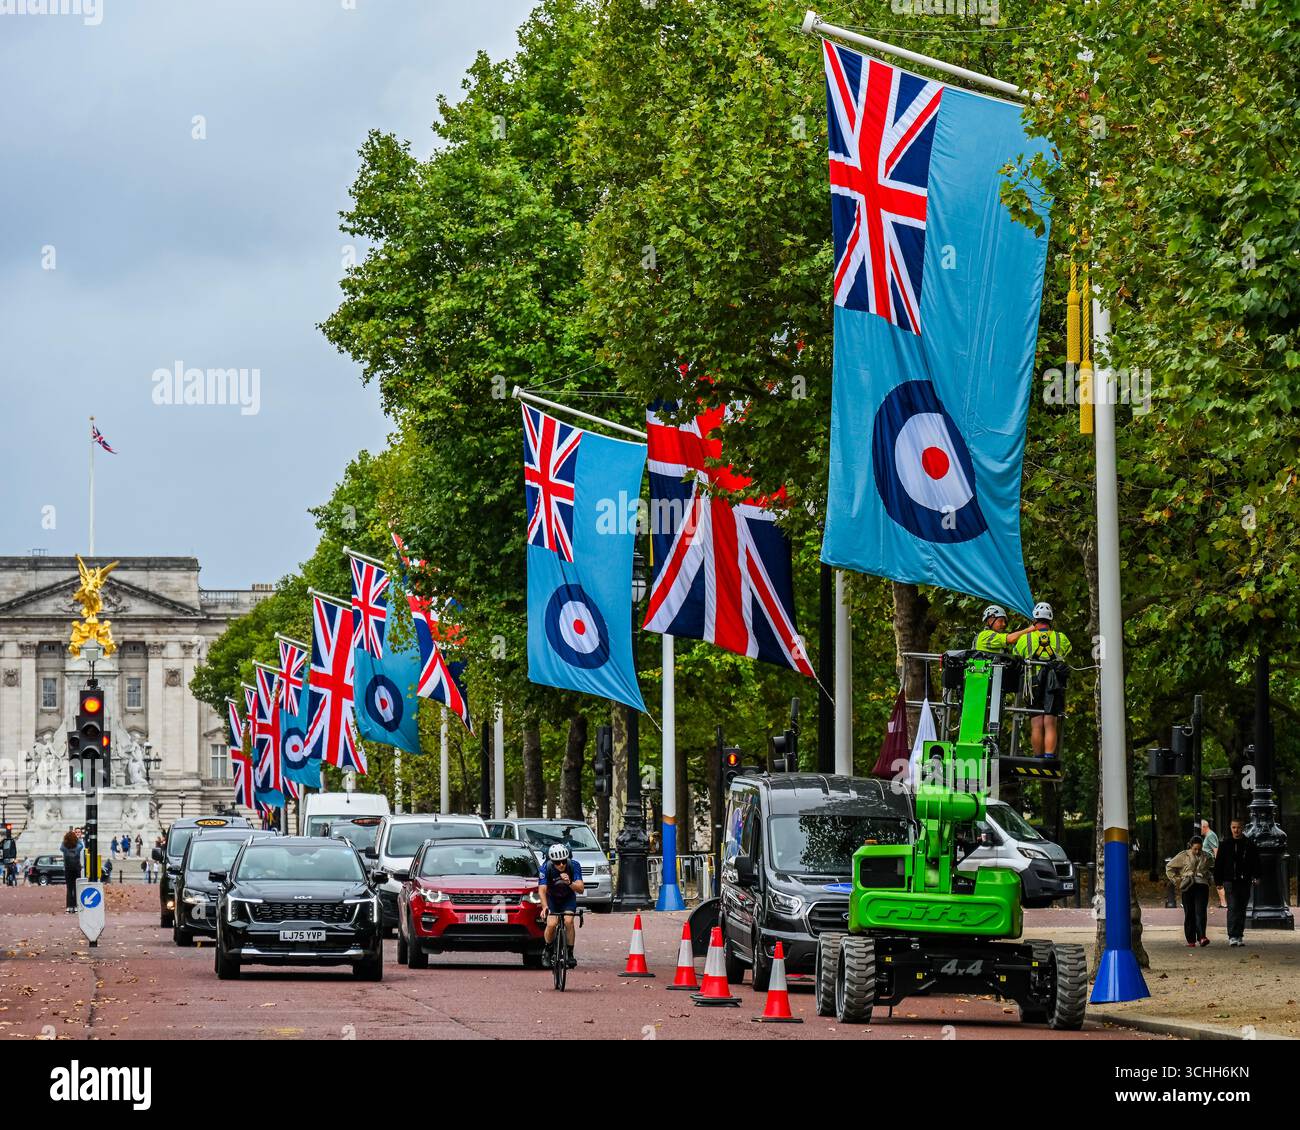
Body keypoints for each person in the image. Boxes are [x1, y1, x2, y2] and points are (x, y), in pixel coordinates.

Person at [1013, 602, 1072, 757]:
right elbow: (1066, 652)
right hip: (1054, 684)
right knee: (1050, 722)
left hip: (1033, 684)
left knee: (1036, 723)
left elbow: (1017, 654)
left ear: (1035, 620)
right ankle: (1049, 757)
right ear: (1050, 619)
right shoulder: (1061, 638)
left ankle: (1038, 758)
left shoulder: (1025, 639)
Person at [1213, 818, 1260, 947]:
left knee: (1242, 908)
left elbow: (1255, 862)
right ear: (1230, 828)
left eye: (1238, 827)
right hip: (1230, 880)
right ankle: (1233, 935)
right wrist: (1218, 880)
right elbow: (1219, 864)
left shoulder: (1249, 844)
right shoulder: (1225, 844)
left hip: (1244, 880)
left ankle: (1239, 935)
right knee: (1233, 907)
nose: (1236, 830)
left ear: (1242, 828)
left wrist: (1256, 876)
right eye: (1234, 827)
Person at [538, 843, 584, 969]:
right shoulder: (545, 868)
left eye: (564, 861)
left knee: (569, 921)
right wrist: (544, 907)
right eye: (557, 862)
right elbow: (542, 890)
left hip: (568, 898)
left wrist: (569, 883)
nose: (562, 865)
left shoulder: (574, 865)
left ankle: (570, 953)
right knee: (552, 923)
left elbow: (580, 889)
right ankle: (547, 950)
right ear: (552, 862)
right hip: (552, 898)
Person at [1167, 835, 1215, 947]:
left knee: (1201, 911)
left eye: (1199, 848)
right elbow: (1169, 867)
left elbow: (1210, 868)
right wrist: (1177, 880)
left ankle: (1202, 936)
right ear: (1190, 846)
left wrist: (1209, 878)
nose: (1197, 851)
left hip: (1202, 886)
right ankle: (1191, 940)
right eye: (1195, 849)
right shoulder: (1183, 856)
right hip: (1188, 886)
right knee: (1189, 913)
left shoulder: (1207, 857)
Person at [1200, 819, 1226, 908]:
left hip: (1211, 864)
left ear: (1204, 827)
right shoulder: (1208, 835)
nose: (1199, 830)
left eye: (1200, 828)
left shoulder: (1210, 835)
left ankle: (1224, 903)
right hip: (1208, 864)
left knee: (1218, 883)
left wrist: (1218, 864)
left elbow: (1216, 850)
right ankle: (1223, 903)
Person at [60, 830, 81, 913]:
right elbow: (81, 845)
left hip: (68, 869)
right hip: (76, 868)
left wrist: (65, 838)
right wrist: (76, 838)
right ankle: (76, 907)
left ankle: (69, 907)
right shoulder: (78, 847)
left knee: (69, 888)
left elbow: (61, 847)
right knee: (76, 888)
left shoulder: (64, 848)